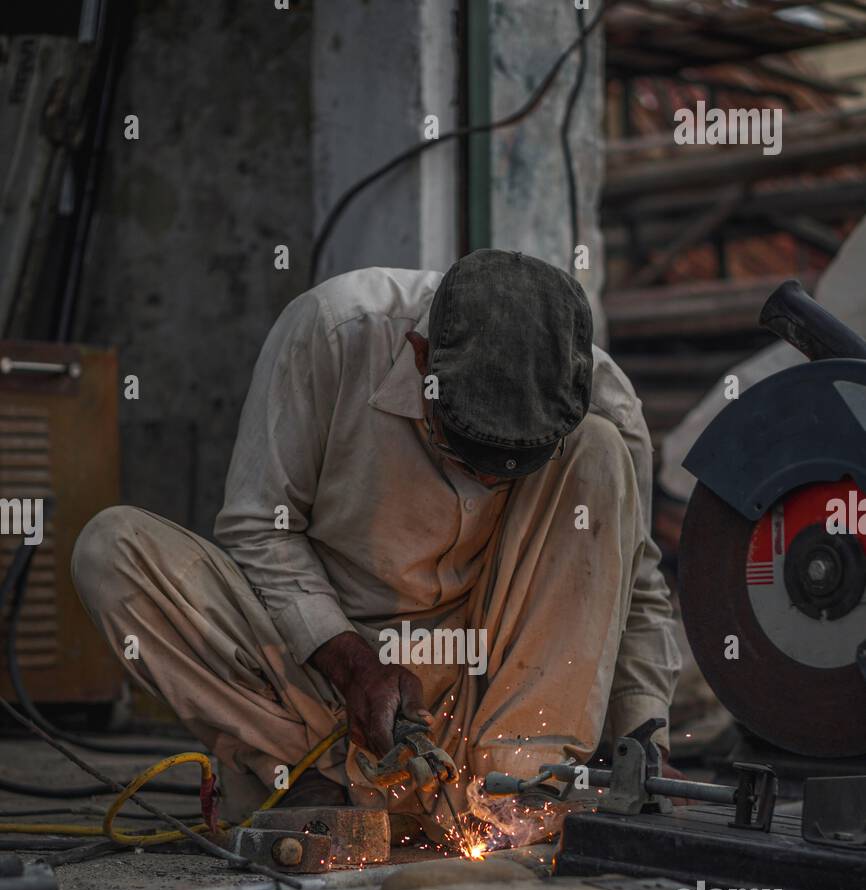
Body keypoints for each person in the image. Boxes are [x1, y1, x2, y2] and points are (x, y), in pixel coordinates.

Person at [72, 249, 681, 832]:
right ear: (420, 358)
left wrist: (644, 743)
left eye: (512, 466)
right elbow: (260, 528)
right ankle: (317, 773)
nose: (489, 480)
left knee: (600, 454)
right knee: (113, 550)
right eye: (466, 452)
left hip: (482, 690)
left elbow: (635, 582)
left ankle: (521, 786)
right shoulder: (333, 334)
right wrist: (354, 665)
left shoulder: (597, 398)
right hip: (324, 691)